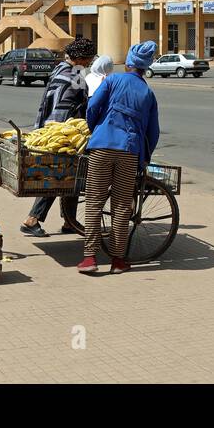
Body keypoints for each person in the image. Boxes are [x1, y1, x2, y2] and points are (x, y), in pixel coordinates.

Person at [78, 41, 160, 275]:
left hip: (102, 148)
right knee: (123, 206)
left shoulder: (112, 80)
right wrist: (145, 158)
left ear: (128, 63)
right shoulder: (147, 92)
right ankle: (118, 260)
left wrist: (97, 130)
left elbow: (92, 106)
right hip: (129, 152)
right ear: (145, 67)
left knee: (94, 201)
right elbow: (152, 132)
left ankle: (90, 258)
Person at [20, 37, 96, 237]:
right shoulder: (76, 74)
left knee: (71, 175)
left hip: (49, 125)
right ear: (80, 58)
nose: (89, 62)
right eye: (88, 59)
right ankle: (32, 219)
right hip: (63, 131)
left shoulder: (59, 68)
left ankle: (69, 221)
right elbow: (82, 104)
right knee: (60, 177)